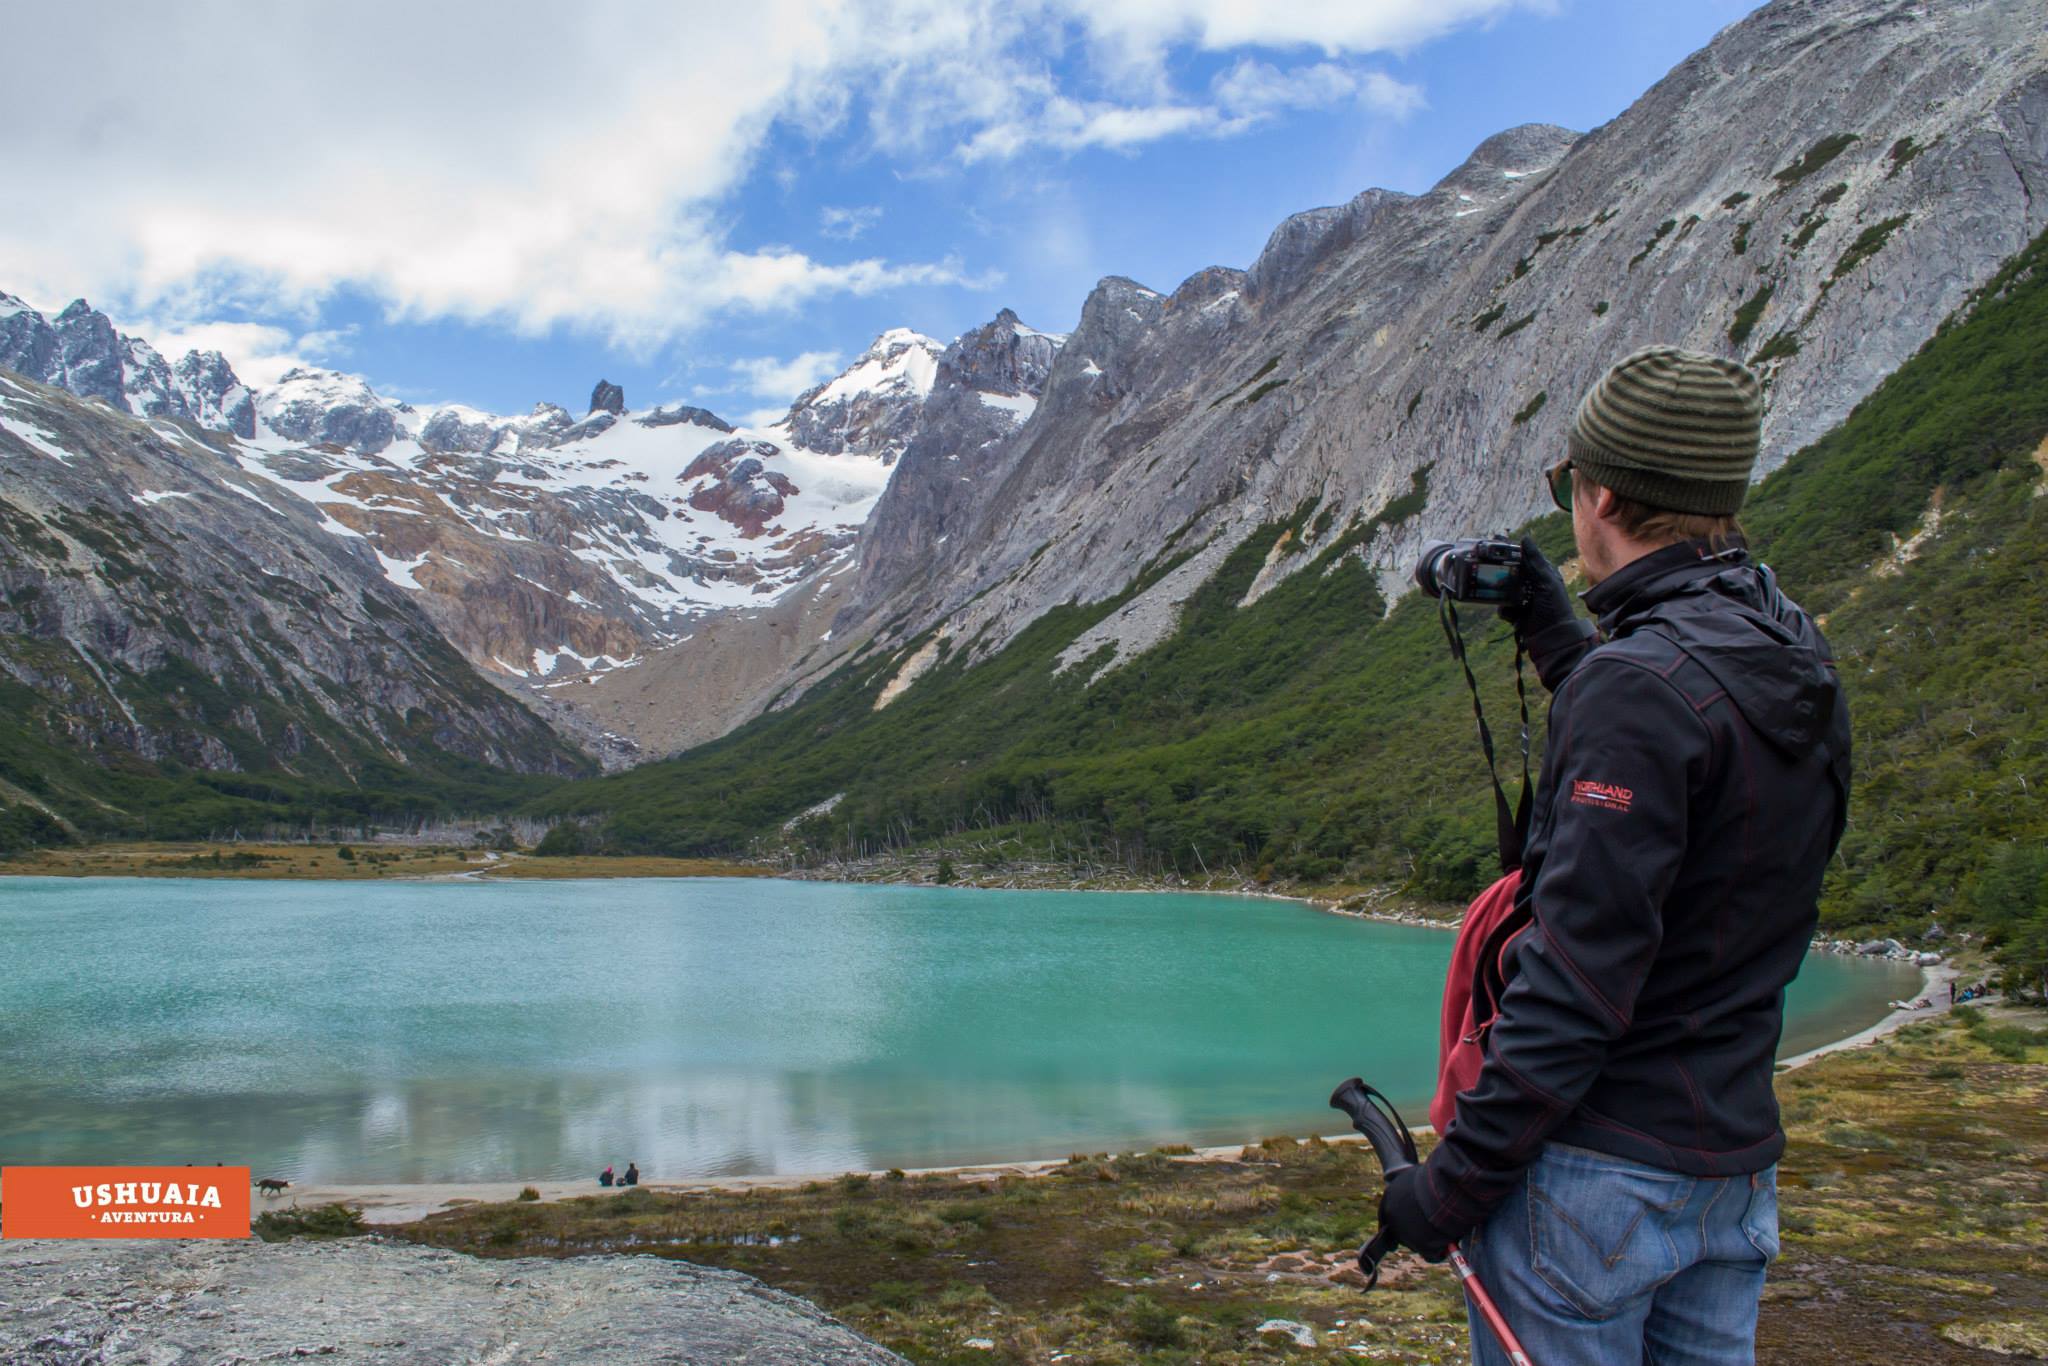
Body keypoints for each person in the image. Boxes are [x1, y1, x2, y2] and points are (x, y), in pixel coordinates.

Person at [1379, 347, 1851, 1366]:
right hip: (1727, 1171)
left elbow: (1573, 986)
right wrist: (1560, 636)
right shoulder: (1793, 652)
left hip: (1593, 1185)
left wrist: (1446, 1187)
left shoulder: (1637, 690)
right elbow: (1696, 775)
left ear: (1595, 492)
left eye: (1565, 485)